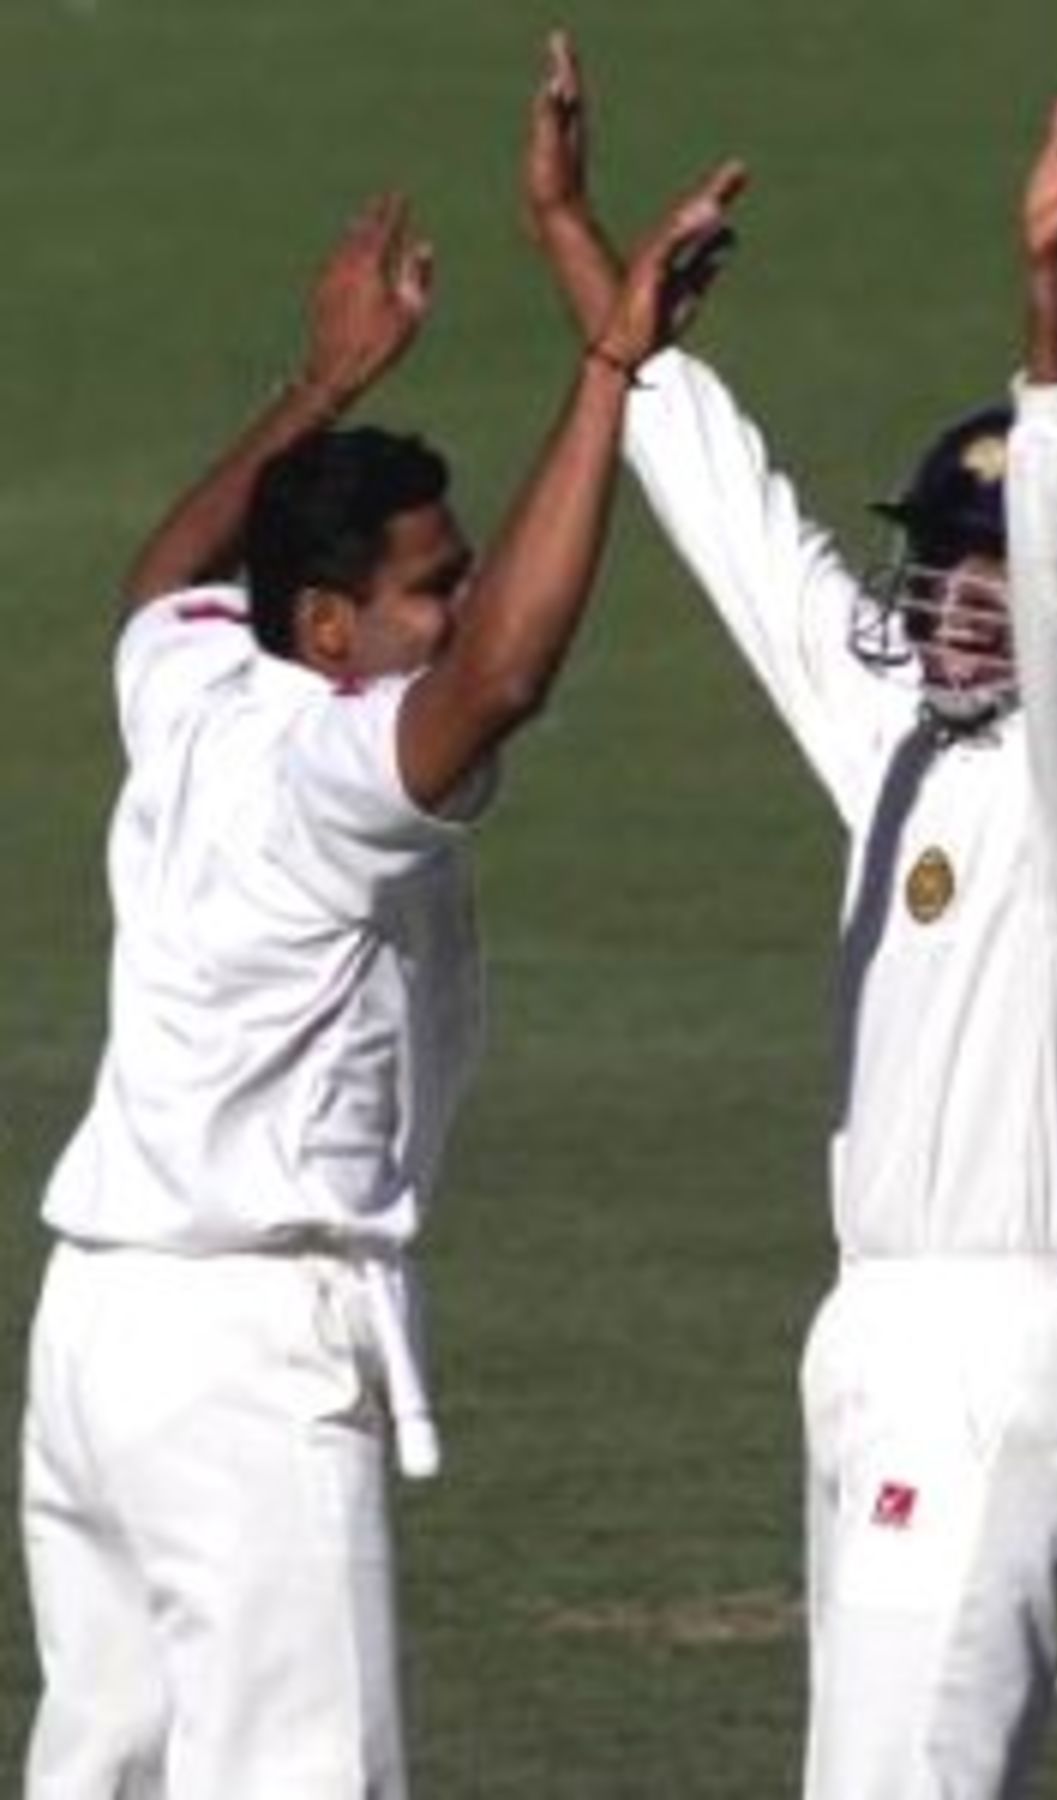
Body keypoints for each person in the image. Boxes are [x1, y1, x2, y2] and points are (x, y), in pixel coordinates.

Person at [526, 37, 1057, 1797]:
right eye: (944, 572)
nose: (960, 609)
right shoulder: (903, 736)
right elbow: (740, 527)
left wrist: (1051, 287)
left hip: (1001, 1343)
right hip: (881, 1335)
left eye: (992, 578)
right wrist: (579, 248)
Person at [20, 161, 744, 1798]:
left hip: (100, 1335)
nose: (463, 605)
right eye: (433, 585)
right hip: (246, 1352)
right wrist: (609, 372)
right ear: (330, 630)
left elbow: (159, 581)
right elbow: (507, 679)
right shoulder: (327, 778)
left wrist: (324, 385)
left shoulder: (195, 684)